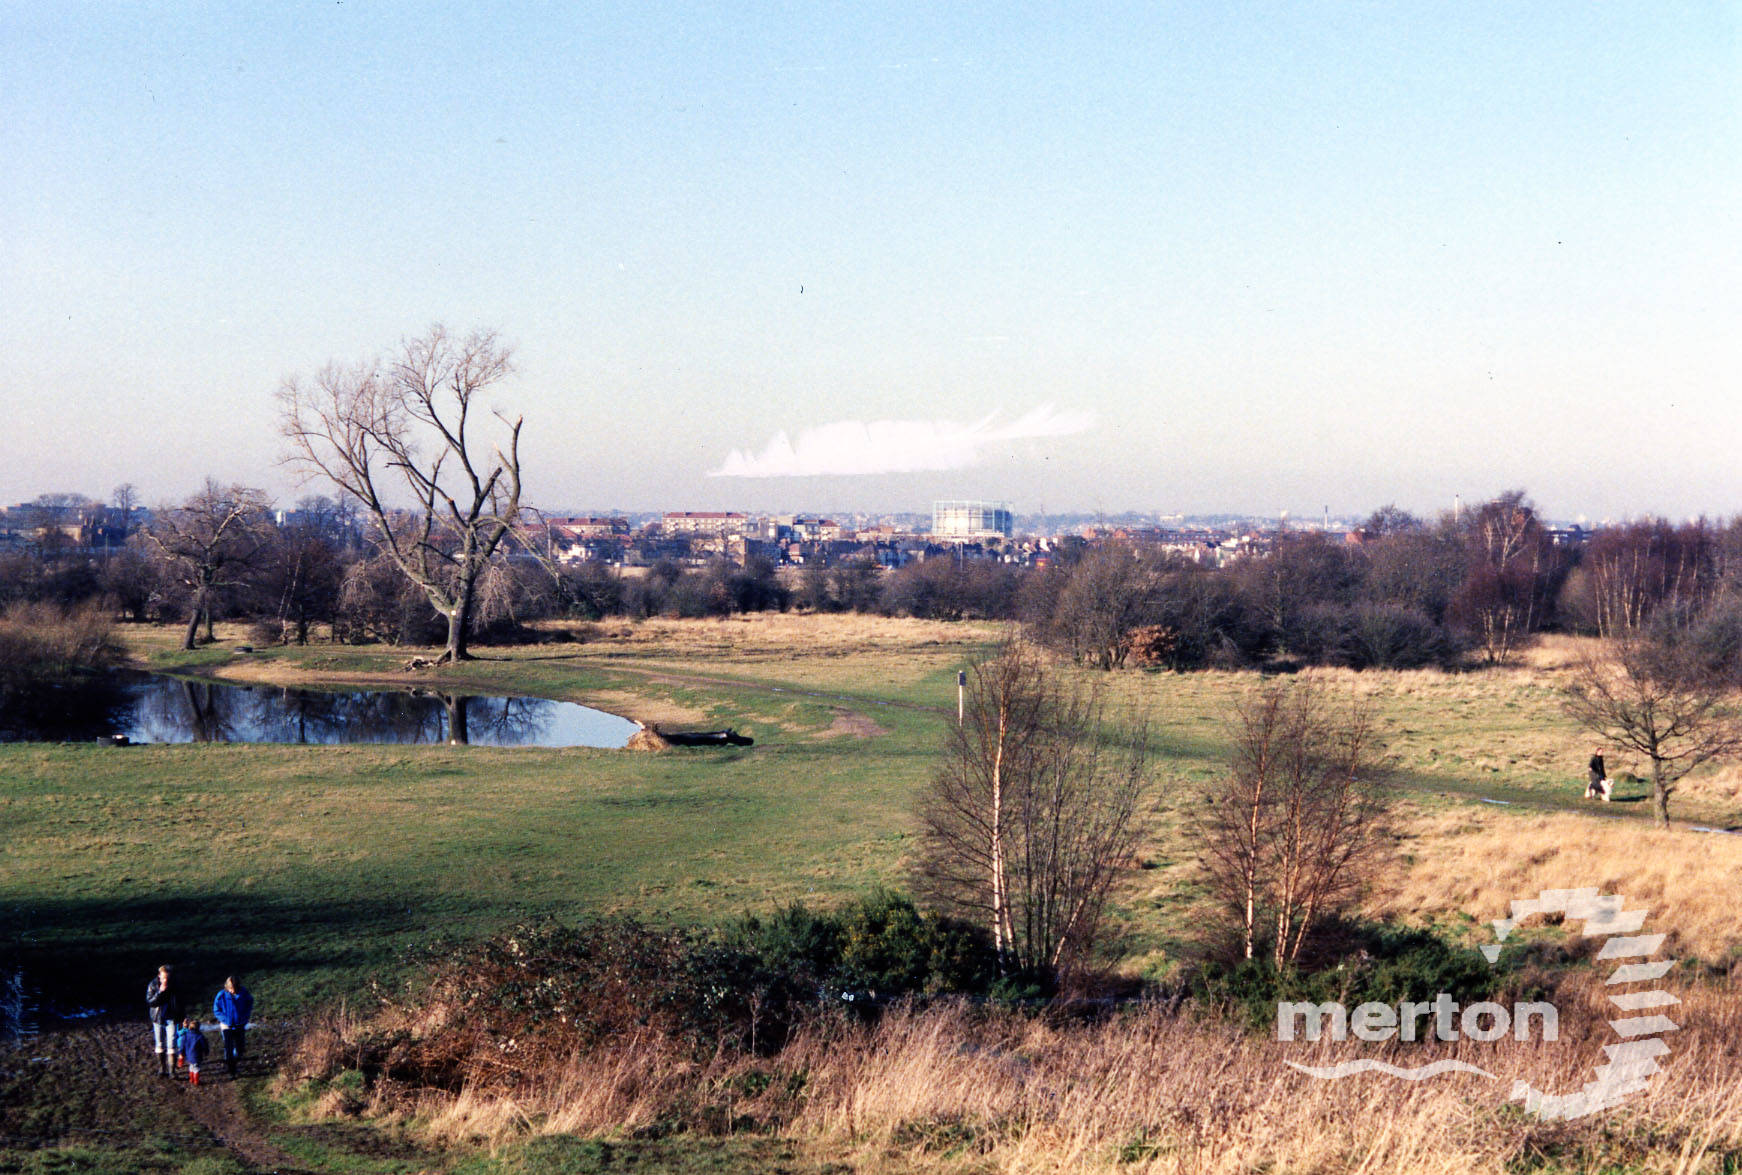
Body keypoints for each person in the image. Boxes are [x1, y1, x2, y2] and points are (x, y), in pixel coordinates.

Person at [145, 964, 184, 1077]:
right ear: (159, 976)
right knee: (160, 1043)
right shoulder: (153, 985)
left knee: (172, 1044)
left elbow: (181, 1002)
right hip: (158, 1018)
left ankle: (172, 1071)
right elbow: (150, 1002)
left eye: (167, 977)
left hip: (171, 1018)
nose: (165, 980)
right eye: (163, 977)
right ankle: (162, 1069)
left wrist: (182, 1017)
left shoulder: (176, 986)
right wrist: (160, 992)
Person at [212, 975, 253, 1077]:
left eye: (234, 989)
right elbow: (217, 1010)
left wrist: (244, 1018)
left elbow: (249, 1004)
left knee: (240, 1048)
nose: (232, 992)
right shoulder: (221, 995)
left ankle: (235, 1059)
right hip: (227, 1026)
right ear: (227, 987)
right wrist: (226, 1020)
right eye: (230, 989)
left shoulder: (244, 993)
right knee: (228, 1048)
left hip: (239, 1024)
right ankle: (232, 1070)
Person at [178, 1016, 209, 1086]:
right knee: (196, 1069)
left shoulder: (185, 1035)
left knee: (191, 1067)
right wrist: (206, 1052)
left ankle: (191, 1079)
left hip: (188, 1056)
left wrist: (181, 1053)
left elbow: (182, 1046)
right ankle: (196, 1081)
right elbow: (204, 1045)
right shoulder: (200, 1036)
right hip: (197, 1056)